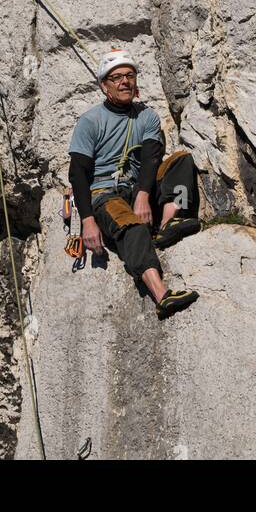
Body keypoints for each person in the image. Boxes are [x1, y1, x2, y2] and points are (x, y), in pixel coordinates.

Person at [68, 48, 201, 320]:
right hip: (105, 194)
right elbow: (78, 173)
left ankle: (168, 224)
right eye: (116, 78)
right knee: (132, 226)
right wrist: (88, 220)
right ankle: (162, 295)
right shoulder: (90, 121)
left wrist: (142, 195)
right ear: (105, 86)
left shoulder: (147, 116)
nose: (125, 82)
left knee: (181, 161)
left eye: (129, 75)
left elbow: (152, 157)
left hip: (137, 188)